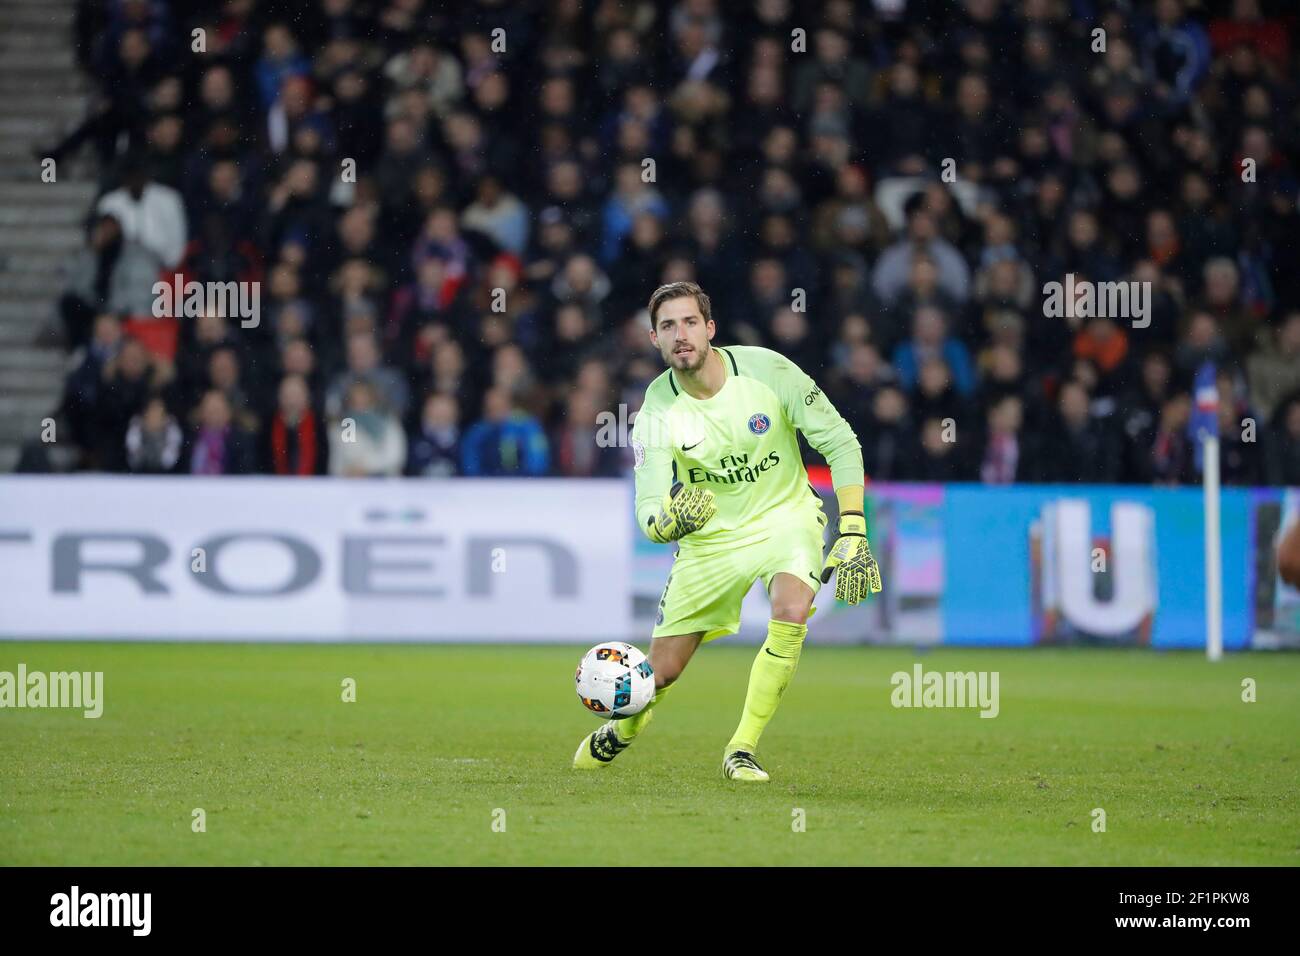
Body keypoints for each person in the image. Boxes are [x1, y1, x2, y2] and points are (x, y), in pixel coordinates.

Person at [572, 281, 882, 782]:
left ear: (710, 329)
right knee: (662, 672)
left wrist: (853, 528)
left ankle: (742, 748)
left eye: (690, 322)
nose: (681, 335)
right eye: (668, 326)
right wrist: (670, 522)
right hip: (711, 540)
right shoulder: (654, 411)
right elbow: (649, 509)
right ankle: (622, 731)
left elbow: (842, 443)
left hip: (785, 517)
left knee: (792, 609)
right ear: (654, 339)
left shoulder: (769, 371)